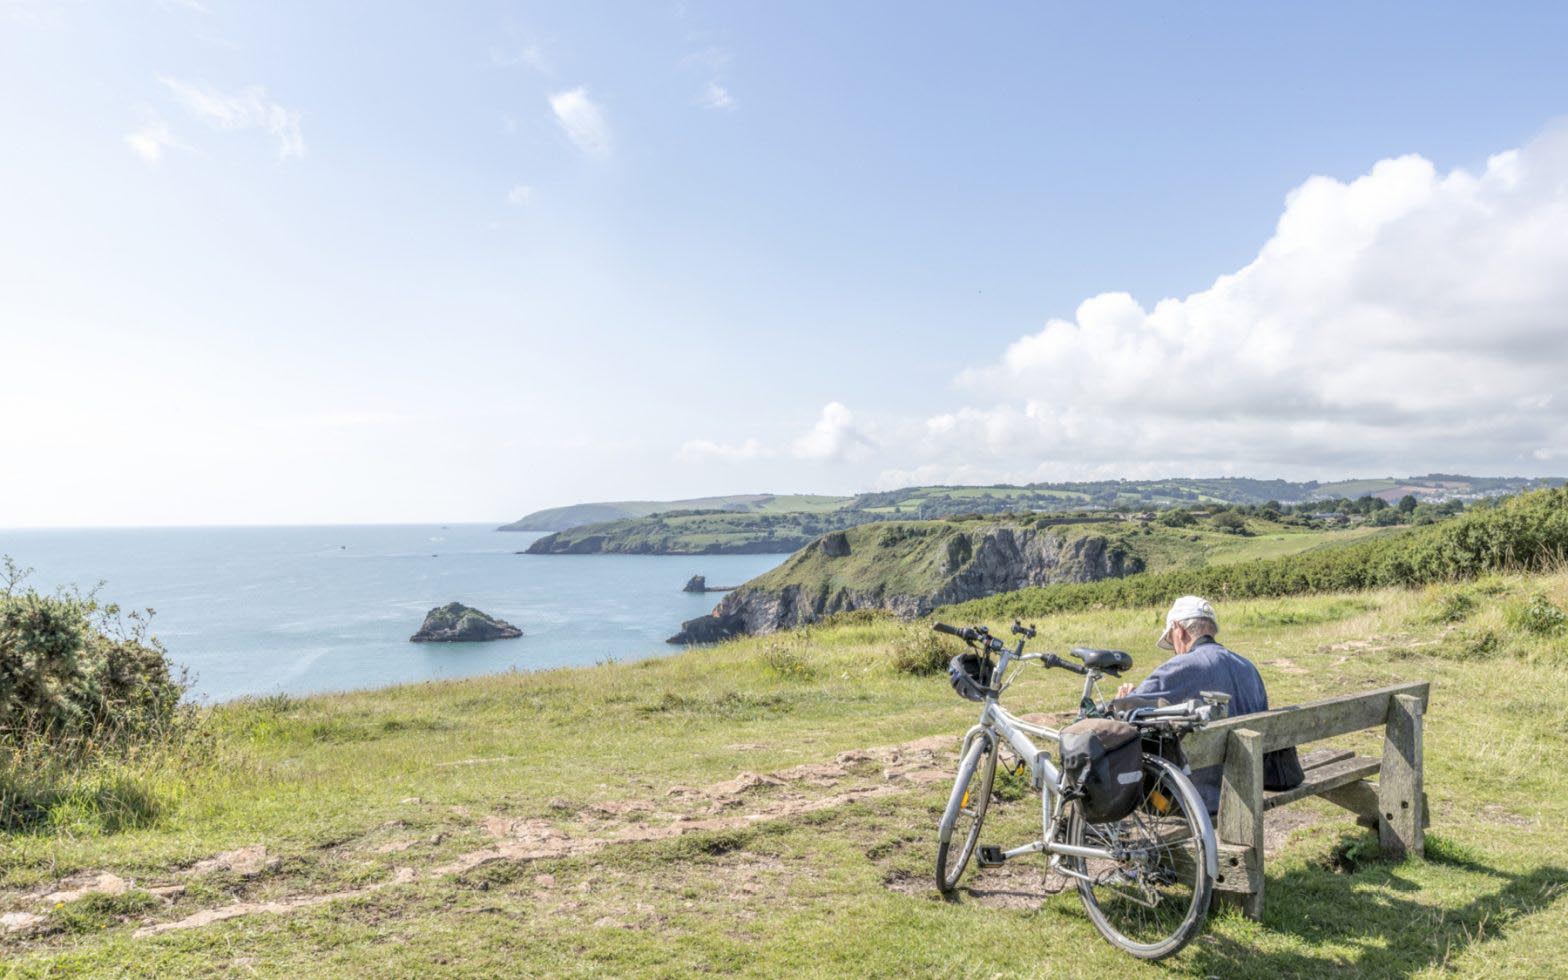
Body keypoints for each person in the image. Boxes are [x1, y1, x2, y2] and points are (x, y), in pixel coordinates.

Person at [1115, 595, 1302, 813]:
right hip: (1246, 789)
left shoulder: (1178, 668)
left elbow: (1125, 713)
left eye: (1171, 640)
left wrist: (1122, 700)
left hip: (1191, 800)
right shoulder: (1248, 668)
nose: (1174, 649)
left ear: (1179, 629)